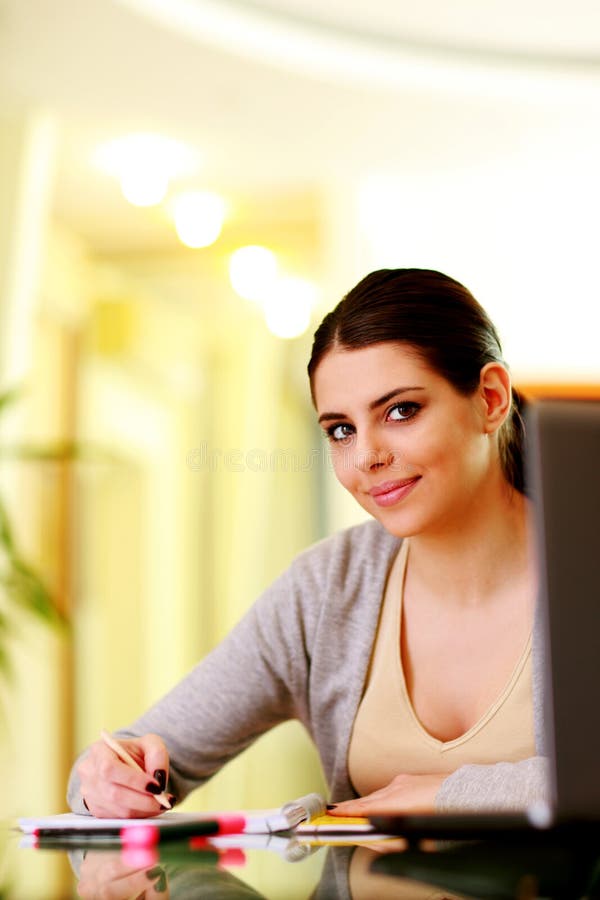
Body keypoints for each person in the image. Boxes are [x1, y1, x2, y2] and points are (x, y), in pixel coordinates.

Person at [68, 268, 548, 819]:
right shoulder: (326, 590)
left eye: (400, 411)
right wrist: (102, 782)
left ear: (490, 398)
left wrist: (447, 793)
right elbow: (143, 754)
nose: (366, 456)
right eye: (341, 429)